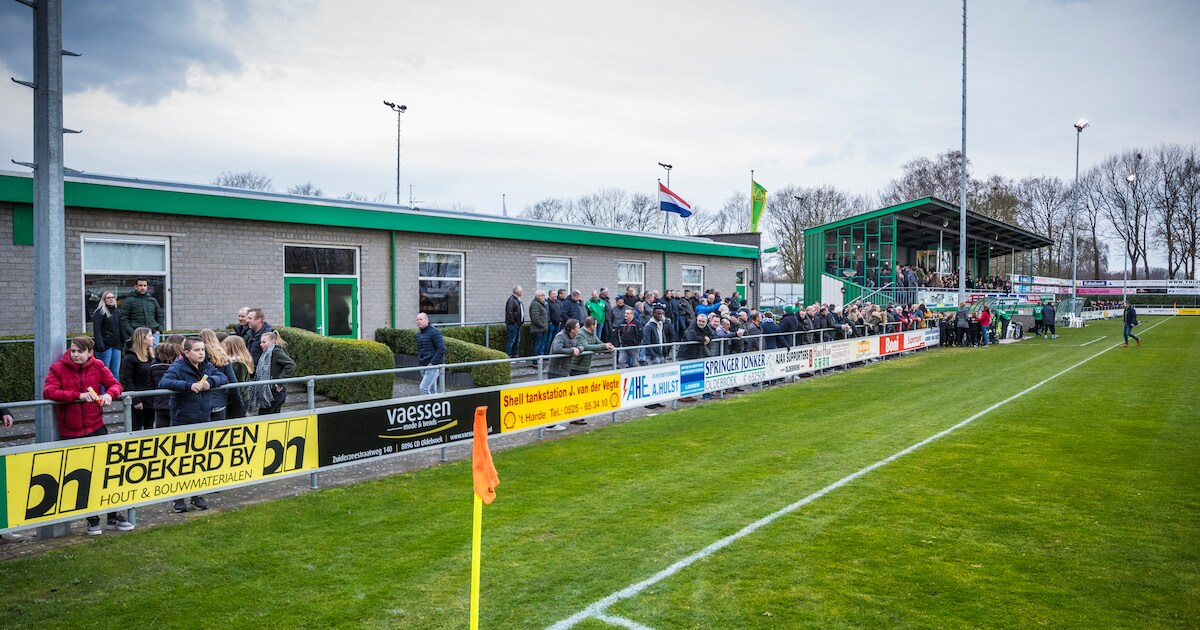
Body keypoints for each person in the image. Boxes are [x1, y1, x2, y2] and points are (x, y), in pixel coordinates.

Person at [42, 336, 134, 534]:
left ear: (90, 353)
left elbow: (115, 384)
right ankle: (92, 519)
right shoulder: (58, 368)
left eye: (79, 351)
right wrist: (78, 396)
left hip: (96, 426)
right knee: (82, 476)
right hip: (71, 431)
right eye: (72, 350)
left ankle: (113, 515)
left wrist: (110, 394)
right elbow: (49, 392)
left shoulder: (98, 365)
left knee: (105, 472)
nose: (75, 354)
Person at [159, 337, 228, 512]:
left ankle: (197, 495)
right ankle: (178, 499)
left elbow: (223, 377)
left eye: (203, 350)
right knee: (180, 460)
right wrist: (187, 386)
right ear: (187, 353)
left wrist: (209, 382)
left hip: (203, 417)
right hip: (182, 418)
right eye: (197, 350)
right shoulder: (178, 367)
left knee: (199, 458)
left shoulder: (206, 365)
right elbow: (164, 382)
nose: (201, 353)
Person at [564, 317, 614, 425]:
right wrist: (603, 346)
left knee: (582, 393)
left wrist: (608, 347)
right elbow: (586, 347)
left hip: (585, 367)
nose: (596, 326)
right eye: (595, 325)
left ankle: (579, 415)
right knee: (576, 394)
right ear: (591, 326)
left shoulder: (592, 334)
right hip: (576, 367)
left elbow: (598, 343)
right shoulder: (581, 334)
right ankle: (574, 417)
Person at [249, 331, 296, 415]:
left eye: (264, 342)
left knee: (263, 419)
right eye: (261, 342)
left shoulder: (276, 352)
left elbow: (291, 364)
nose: (261, 344)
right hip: (272, 392)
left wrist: (280, 382)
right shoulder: (267, 353)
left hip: (273, 393)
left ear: (273, 341)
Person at [120, 326, 157, 430]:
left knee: (149, 428)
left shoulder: (150, 357)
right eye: (150, 336)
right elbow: (127, 380)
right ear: (143, 339)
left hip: (150, 399)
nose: (153, 338)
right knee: (135, 428)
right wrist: (136, 400)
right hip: (138, 399)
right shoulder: (129, 358)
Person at [200, 329, 241, 421]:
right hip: (219, 401)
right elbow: (233, 381)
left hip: (201, 402)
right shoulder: (222, 356)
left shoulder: (198, 356)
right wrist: (238, 401)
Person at [91, 290, 127, 380]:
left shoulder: (117, 312)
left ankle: (116, 392)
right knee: (104, 371)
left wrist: (126, 342)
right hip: (105, 346)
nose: (111, 299)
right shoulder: (99, 312)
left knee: (115, 371)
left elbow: (121, 328)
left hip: (116, 345)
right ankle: (103, 393)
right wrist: (100, 345)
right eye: (108, 298)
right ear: (104, 300)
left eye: (112, 297)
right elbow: (97, 330)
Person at [221, 335, 255, 419]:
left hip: (238, 400)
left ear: (232, 346)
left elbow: (239, 386)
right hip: (238, 399)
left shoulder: (238, 364)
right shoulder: (235, 361)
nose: (222, 346)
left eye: (225, 344)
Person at [149, 342, 181, 428]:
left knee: (161, 430)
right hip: (175, 403)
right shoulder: (177, 367)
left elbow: (150, 385)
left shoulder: (153, 367)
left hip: (160, 403)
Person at [415, 312, 446, 395]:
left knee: (423, 388)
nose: (418, 321)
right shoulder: (418, 335)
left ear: (426, 320)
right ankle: (436, 405)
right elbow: (420, 349)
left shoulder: (435, 332)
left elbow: (441, 348)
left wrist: (432, 363)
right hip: (423, 365)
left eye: (420, 319)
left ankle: (428, 406)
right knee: (432, 391)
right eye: (417, 320)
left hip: (433, 366)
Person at [504, 286, 524, 358]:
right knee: (512, 340)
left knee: (516, 340)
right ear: (518, 292)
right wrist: (514, 322)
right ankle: (508, 356)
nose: (522, 292)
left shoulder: (517, 300)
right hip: (513, 324)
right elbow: (510, 312)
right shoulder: (512, 300)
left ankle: (515, 355)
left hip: (517, 324)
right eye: (521, 291)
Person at [528, 290, 549, 357]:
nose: (544, 297)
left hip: (541, 329)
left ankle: (537, 361)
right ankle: (535, 362)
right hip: (538, 329)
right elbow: (535, 318)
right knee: (537, 346)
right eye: (543, 295)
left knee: (538, 345)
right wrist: (543, 325)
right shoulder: (535, 304)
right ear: (539, 296)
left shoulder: (540, 304)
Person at [546, 289, 563, 355]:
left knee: (556, 339)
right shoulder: (547, 303)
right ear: (550, 295)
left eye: (555, 294)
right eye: (553, 294)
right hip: (552, 324)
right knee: (549, 340)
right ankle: (547, 353)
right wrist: (550, 322)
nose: (555, 295)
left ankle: (554, 352)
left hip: (558, 324)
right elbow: (547, 313)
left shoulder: (557, 302)